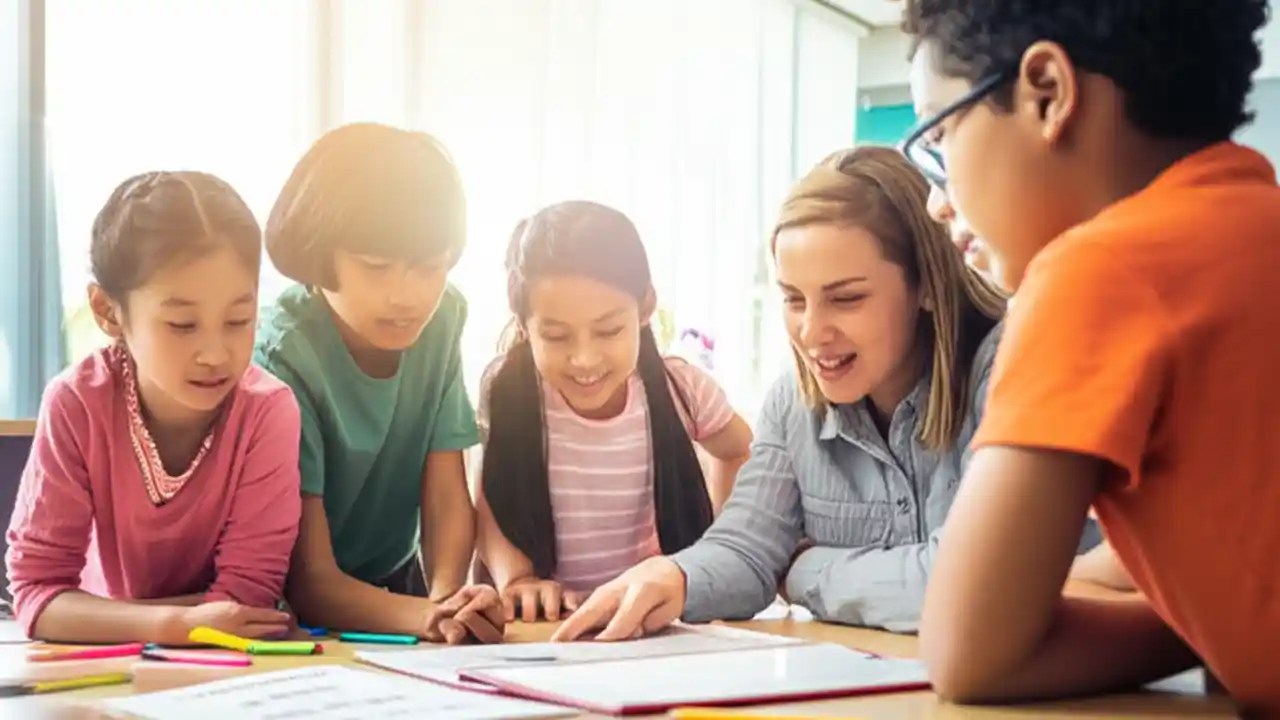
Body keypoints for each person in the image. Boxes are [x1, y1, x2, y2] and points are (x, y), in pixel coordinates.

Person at [901, 0, 1280, 712]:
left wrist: (1191, 631)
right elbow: (1131, 568)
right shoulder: (1252, 231)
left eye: (940, 132)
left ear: (1046, 92)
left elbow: (967, 651)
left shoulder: (1101, 270)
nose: (934, 203)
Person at [553, 146, 1006, 641]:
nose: (812, 332)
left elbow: (973, 585)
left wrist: (806, 572)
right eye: (793, 298)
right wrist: (671, 577)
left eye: (846, 298)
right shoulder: (793, 404)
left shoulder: (1003, 371)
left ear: (925, 284)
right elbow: (748, 549)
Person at [6, 171, 300, 644]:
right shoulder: (77, 404)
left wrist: (108, 617)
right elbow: (37, 594)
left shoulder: (267, 411)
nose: (216, 354)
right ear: (107, 311)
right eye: (182, 324)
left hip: (221, 670)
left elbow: (246, 599)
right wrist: (176, 624)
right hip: (104, 667)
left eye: (238, 320)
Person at [255, 123, 501, 644]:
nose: (406, 296)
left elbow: (446, 495)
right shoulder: (285, 354)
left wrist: (447, 599)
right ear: (320, 256)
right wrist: (429, 616)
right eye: (377, 268)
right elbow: (310, 580)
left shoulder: (442, 317)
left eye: (429, 268)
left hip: (400, 589)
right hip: (295, 609)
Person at [475, 201, 752, 623]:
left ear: (645, 307)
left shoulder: (683, 388)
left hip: (648, 622)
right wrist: (516, 578)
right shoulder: (510, 392)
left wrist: (717, 551)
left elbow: (742, 451)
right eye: (556, 335)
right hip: (547, 625)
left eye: (608, 330)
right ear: (523, 324)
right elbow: (491, 490)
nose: (584, 359)